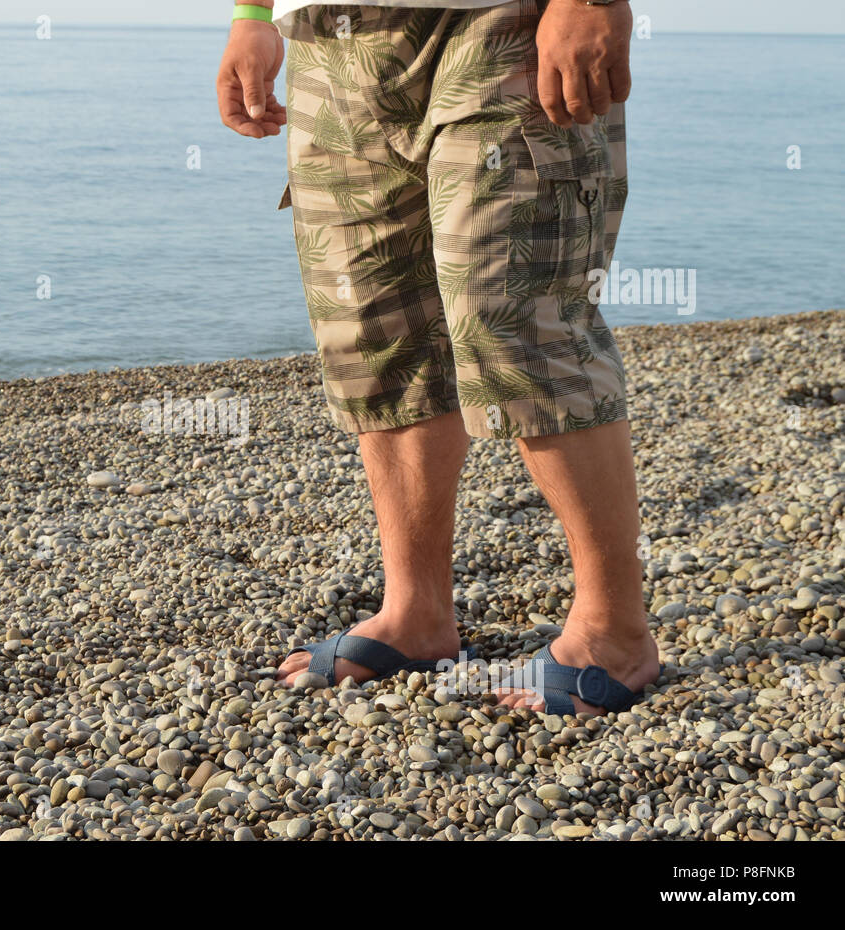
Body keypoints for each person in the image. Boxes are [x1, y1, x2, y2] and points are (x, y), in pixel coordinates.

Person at [216, 0, 660, 715]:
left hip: (503, 23)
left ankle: (615, 633)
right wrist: (251, 13)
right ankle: (417, 615)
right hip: (332, 33)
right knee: (376, 331)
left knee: (516, 317)